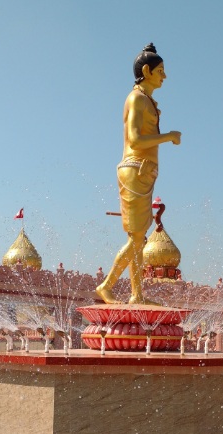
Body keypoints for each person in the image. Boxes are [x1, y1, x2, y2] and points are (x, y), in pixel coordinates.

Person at [95, 43, 182, 305]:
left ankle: (137, 295)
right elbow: (134, 140)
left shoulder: (146, 100)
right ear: (147, 70)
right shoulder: (136, 99)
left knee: (139, 239)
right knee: (136, 238)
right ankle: (107, 285)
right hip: (135, 171)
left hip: (144, 173)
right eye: (160, 71)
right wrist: (168, 137)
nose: (164, 76)